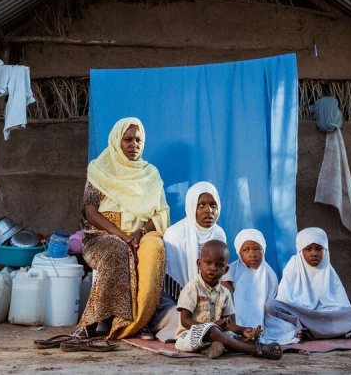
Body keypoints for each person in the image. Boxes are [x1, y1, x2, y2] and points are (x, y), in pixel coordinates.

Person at [70, 117, 170, 341]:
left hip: (138, 235)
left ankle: (139, 322)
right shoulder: (99, 170)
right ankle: (91, 322)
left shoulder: (150, 174)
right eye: (128, 140)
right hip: (101, 236)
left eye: (138, 140)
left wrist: (139, 233)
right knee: (118, 251)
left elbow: (161, 212)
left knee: (151, 252)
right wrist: (122, 235)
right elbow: (90, 211)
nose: (134, 145)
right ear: (117, 141)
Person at [262, 227, 351, 345]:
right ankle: (315, 330)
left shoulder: (328, 269)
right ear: (300, 250)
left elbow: (341, 305)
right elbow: (283, 300)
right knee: (272, 306)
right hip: (300, 314)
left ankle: (307, 331)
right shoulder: (293, 266)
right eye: (308, 249)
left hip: (324, 316)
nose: (314, 253)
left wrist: (320, 315)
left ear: (325, 250)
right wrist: (302, 315)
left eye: (319, 249)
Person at [175, 240, 282, 360]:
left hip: (217, 334)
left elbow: (229, 323)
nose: (213, 268)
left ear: (225, 270)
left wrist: (242, 330)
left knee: (242, 337)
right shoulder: (191, 288)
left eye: (219, 265)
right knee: (213, 331)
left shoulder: (225, 292)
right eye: (208, 263)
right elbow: (185, 321)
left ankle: (213, 348)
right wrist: (211, 325)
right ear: (199, 264)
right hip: (189, 335)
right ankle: (257, 350)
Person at [153, 182, 226, 341]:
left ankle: (209, 337)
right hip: (177, 303)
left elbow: (220, 275)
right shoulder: (175, 235)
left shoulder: (219, 234)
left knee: (229, 316)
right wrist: (194, 302)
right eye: (201, 205)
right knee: (180, 319)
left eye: (213, 205)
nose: (209, 210)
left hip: (212, 300)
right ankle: (212, 338)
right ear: (192, 207)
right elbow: (166, 286)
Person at [221, 229, 278, 330]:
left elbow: (272, 298)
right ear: (239, 252)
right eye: (246, 250)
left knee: (284, 327)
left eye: (257, 249)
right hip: (236, 313)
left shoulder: (269, 273)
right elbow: (225, 292)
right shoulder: (232, 269)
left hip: (262, 313)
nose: (252, 254)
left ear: (263, 250)